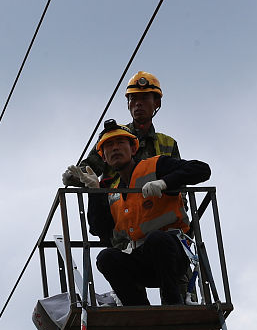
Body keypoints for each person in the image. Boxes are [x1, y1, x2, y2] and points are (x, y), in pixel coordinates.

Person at [85, 120, 209, 306]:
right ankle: (137, 308)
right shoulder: (114, 191)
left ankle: (172, 304)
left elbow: (202, 169)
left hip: (171, 256)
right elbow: (98, 229)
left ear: (133, 149)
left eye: (120, 143)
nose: (115, 148)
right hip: (142, 259)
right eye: (109, 145)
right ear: (103, 158)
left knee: (157, 239)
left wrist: (165, 183)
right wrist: (94, 192)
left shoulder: (155, 165)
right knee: (106, 257)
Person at [63, 71, 179, 186]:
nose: (138, 103)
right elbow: (89, 169)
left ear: (156, 103)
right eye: (133, 98)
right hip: (117, 203)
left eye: (144, 98)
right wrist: (75, 176)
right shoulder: (113, 137)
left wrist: (181, 204)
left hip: (158, 202)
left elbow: (179, 180)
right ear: (128, 104)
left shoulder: (168, 143)